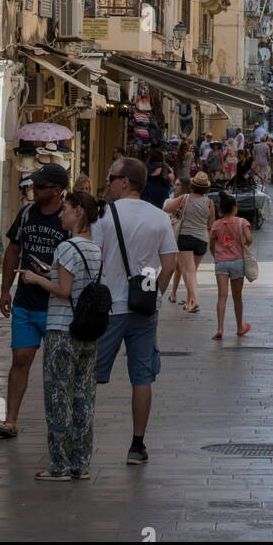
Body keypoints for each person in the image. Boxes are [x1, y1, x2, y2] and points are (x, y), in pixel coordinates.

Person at [91, 156, 177, 465]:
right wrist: (155, 295)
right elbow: (169, 264)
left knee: (89, 373)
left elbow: (94, 259)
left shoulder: (103, 215)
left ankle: (80, 437)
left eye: (111, 177)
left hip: (109, 308)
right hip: (143, 307)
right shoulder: (159, 217)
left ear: (124, 181)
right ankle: (137, 445)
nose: (108, 183)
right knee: (142, 377)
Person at [19, 189, 103, 480]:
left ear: (78, 211)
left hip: (61, 329)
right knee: (83, 397)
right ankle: (81, 462)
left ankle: (59, 465)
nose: (60, 214)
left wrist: (36, 279)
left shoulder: (67, 247)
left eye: (65, 209)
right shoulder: (95, 249)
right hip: (87, 333)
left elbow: (64, 290)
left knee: (58, 396)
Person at [0, 164, 70, 439]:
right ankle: (9, 420)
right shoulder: (26, 214)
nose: (33, 190)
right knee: (20, 359)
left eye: (39, 186)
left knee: (57, 367)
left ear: (56, 190)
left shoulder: (69, 219)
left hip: (57, 305)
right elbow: (14, 251)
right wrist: (5, 291)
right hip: (26, 302)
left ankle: (60, 424)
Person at [164, 171, 215, 312]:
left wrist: (178, 212)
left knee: (188, 272)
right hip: (202, 239)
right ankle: (189, 302)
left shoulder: (185, 198)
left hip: (185, 238)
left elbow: (166, 208)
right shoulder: (210, 202)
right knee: (192, 272)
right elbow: (212, 224)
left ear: (192, 185)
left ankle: (195, 300)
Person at [210, 192, 252, 340]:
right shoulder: (242, 222)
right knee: (237, 297)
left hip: (221, 262)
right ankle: (239, 327)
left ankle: (220, 328)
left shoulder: (216, 225)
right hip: (237, 261)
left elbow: (212, 244)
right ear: (234, 208)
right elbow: (249, 238)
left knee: (222, 296)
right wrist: (243, 245)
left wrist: (217, 256)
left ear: (221, 209)